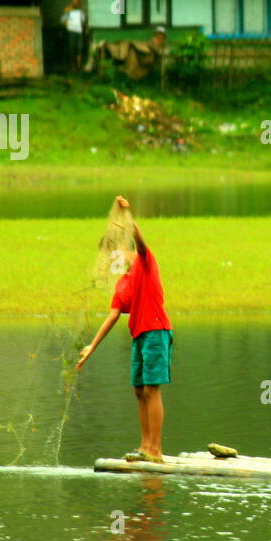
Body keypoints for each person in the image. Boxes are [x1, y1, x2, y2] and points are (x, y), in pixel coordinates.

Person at [76, 196, 173, 462]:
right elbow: (112, 316)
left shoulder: (145, 262)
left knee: (152, 388)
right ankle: (144, 446)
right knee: (139, 390)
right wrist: (91, 347)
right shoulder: (123, 284)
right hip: (139, 336)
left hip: (155, 331)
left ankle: (156, 450)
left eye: (115, 252)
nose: (112, 259)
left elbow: (140, 242)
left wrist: (128, 216)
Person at [61, 0, 85, 71]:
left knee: (79, 48)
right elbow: (62, 20)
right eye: (73, 1)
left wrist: (84, 27)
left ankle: (78, 65)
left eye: (76, 1)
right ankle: (72, 65)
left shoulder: (81, 10)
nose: (74, 2)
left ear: (78, 1)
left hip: (79, 32)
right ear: (72, 1)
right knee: (71, 48)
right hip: (71, 32)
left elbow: (83, 20)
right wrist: (67, 25)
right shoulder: (68, 9)